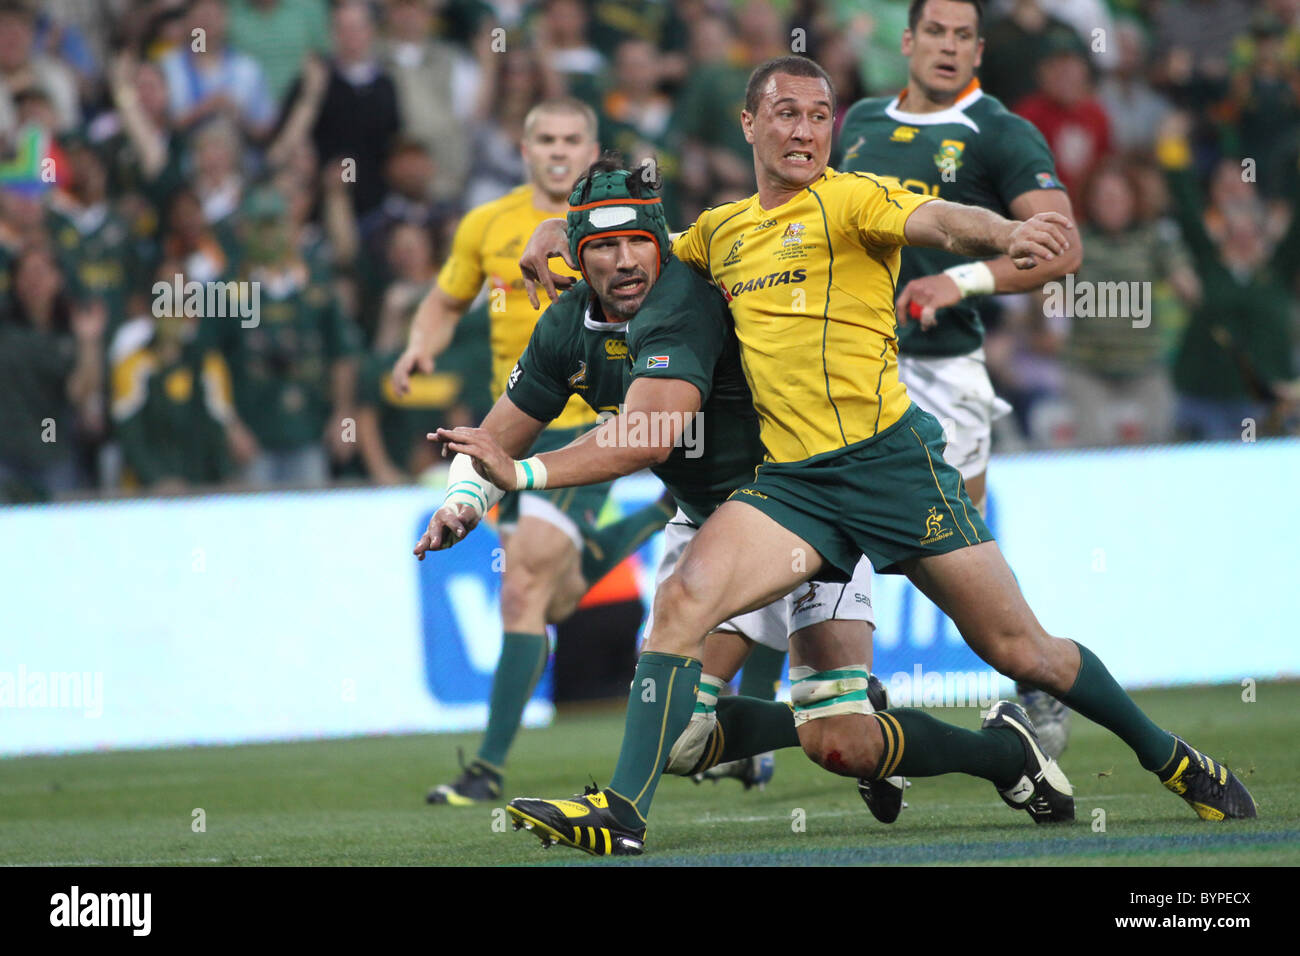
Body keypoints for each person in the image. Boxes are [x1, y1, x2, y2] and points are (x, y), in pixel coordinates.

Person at [509, 55, 1257, 855]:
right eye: (787, 113)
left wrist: (1004, 230)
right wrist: (560, 227)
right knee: (685, 598)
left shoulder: (851, 197)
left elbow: (938, 220)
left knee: (1019, 651)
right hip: (793, 486)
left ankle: (1172, 758)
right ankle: (622, 815)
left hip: (893, 469)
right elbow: (640, 240)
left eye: (820, 114)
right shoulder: (718, 234)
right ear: (749, 125)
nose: (805, 130)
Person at [421, 157, 916, 841]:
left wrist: (526, 476)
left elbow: (650, 437)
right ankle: (625, 814)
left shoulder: (683, 298)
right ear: (580, 253)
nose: (625, 262)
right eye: (602, 247)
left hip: (798, 503)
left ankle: (998, 753)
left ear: (658, 241)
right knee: (680, 739)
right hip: (705, 519)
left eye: (636, 245)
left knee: (844, 744)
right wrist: (462, 505)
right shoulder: (567, 324)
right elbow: (490, 439)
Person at [395, 100, 673, 806]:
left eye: (571, 140)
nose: (557, 150)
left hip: (589, 425)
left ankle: (485, 770)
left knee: (520, 587)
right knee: (554, 597)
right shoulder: (484, 225)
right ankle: (657, 518)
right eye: (544, 139)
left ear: (592, 149)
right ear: (522, 149)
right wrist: (420, 344)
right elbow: (445, 298)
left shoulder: (620, 229)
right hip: (512, 421)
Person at [835, 0, 1083, 755]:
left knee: (953, 547)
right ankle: (849, 695)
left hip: (943, 368)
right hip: (851, 359)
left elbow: (1063, 249)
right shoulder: (860, 122)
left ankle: (1036, 675)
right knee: (826, 521)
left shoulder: (1001, 132)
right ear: (906, 41)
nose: (947, 47)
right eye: (934, 32)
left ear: (979, 49)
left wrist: (962, 281)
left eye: (962, 36)